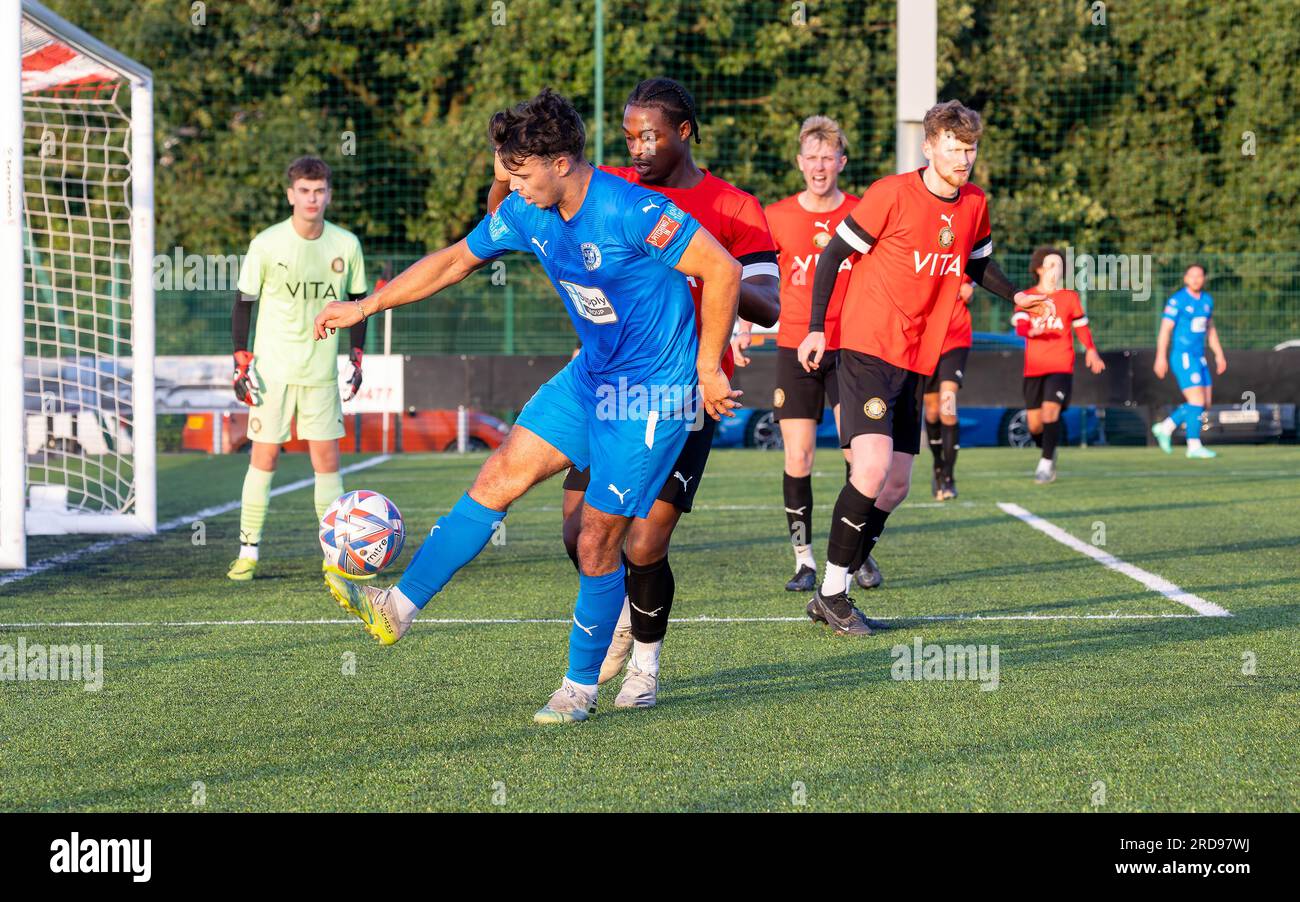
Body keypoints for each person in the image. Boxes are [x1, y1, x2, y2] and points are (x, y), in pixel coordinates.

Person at [318, 89, 743, 724]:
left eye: (518, 172)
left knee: (600, 539)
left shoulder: (633, 210)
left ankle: (579, 687)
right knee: (497, 477)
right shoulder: (527, 210)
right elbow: (455, 261)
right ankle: (398, 610)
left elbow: (724, 269)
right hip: (589, 377)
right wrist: (363, 307)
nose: (510, 185)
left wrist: (708, 369)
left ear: (561, 162)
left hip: (653, 393)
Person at [489, 77, 780, 708]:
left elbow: (770, 300)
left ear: (685, 131)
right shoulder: (610, 187)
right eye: (629, 137)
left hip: (682, 391)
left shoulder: (733, 207)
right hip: (606, 385)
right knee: (580, 535)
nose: (639, 148)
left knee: (645, 540)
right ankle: (615, 610)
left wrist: (695, 266)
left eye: (650, 135)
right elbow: (508, 215)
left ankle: (645, 667)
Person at [797, 100, 1047, 635]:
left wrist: (1015, 294)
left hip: (916, 356)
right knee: (870, 468)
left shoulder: (974, 202)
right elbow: (831, 255)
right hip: (867, 346)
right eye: (954, 149)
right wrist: (818, 326)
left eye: (970, 150)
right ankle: (834, 591)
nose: (963, 160)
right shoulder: (891, 194)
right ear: (929, 147)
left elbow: (977, 261)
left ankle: (835, 580)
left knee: (895, 487)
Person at [227, 156, 368, 581]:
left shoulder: (346, 245)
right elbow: (243, 302)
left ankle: (335, 556)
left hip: (320, 374)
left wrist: (357, 358)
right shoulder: (267, 243)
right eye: (304, 191)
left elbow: (360, 306)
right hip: (272, 371)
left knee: (326, 462)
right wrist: (239, 356)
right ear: (291, 195)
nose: (312, 198)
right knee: (264, 458)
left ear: (329, 194)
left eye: (319, 190)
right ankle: (248, 551)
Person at [761, 115, 865, 592]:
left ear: (841, 162)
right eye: (813, 158)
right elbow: (755, 277)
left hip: (852, 347)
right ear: (800, 163)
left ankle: (854, 555)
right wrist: (742, 327)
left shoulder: (864, 212)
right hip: (794, 347)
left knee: (858, 453)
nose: (820, 166)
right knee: (799, 457)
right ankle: (804, 560)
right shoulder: (776, 216)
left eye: (829, 157)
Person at [1011, 246, 1106, 484]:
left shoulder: (1069, 297)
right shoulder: (1028, 296)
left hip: (1061, 365)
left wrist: (1091, 350)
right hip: (1034, 368)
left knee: (1050, 411)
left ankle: (1045, 465)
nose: (1057, 269)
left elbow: (1081, 326)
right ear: (1039, 269)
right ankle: (1049, 450)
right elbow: (1020, 324)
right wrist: (1030, 330)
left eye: (1060, 265)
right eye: (1051, 264)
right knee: (1034, 424)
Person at [1151, 264, 1226, 459]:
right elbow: (1165, 329)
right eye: (1191, 276)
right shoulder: (1178, 300)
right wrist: (1160, 356)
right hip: (1183, 355)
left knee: (1205, 403)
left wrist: (1218, 354)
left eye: (1199, 276)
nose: (1195, 279)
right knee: (1196, 401)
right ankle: (1193, 445)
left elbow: (1210, 329)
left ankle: (1165, 427)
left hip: (1199, 356)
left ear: (1204, 279)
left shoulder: (1207, 301)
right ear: (1185, 278)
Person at [922, 275, 973, 500]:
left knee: (948, 405)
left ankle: (950, 477)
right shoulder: (918, 257)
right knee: (932, 411)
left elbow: (978, 269)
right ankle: (938, 465)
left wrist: (969, 286)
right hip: (924, 342)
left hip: (955, 341)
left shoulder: (957, 252)